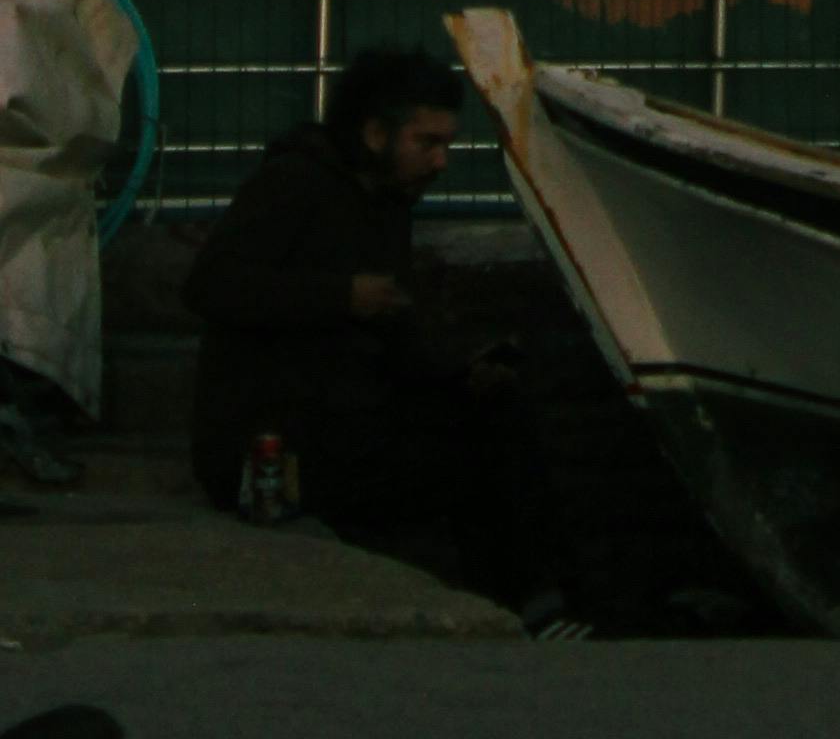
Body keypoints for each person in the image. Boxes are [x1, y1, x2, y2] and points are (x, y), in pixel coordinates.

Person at [187, 44, 574, 626]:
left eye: (445, 143)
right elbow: (212, 285)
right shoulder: (295, 184)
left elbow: (391, 332)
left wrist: (460, 372)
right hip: (280, 442)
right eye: (428, 143)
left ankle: (532, 604)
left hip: (352, 418)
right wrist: (340, 296)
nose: (441, 161)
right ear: (375, 134)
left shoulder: (389, 203)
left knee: (498, 413)